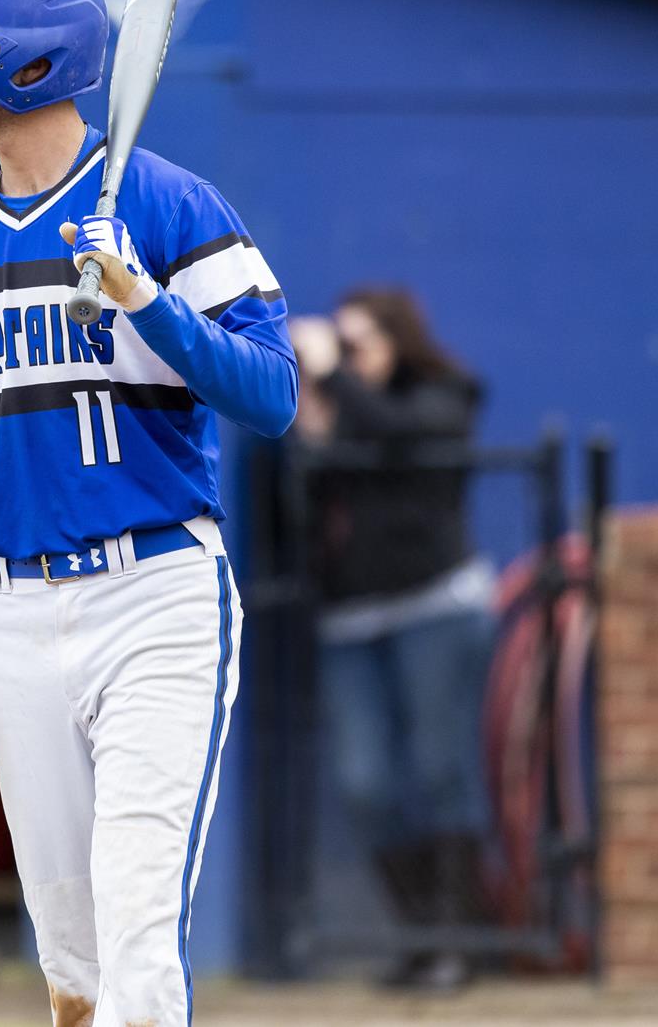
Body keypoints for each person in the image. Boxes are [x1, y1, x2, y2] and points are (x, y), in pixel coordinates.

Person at [0, 0, 298, 1026]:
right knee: (73, 970)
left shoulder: (168, 205)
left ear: (31, 61)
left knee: (138, 944)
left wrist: (148, 302)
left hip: (154, 595)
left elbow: (272, 397)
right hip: (15, 612)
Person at [287, 287, 496, 994]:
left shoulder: (443, 392)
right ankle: (419, 937)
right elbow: (302, 513)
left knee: (441, 770)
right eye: (338, 347)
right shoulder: (335, 410)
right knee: (365, 783)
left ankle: (457, 944)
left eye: (358, 345)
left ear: (397, 339)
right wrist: (312, 438)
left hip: (434, 607)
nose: (344, 361)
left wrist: (333, 374)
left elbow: (403, 434)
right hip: (350, 620)